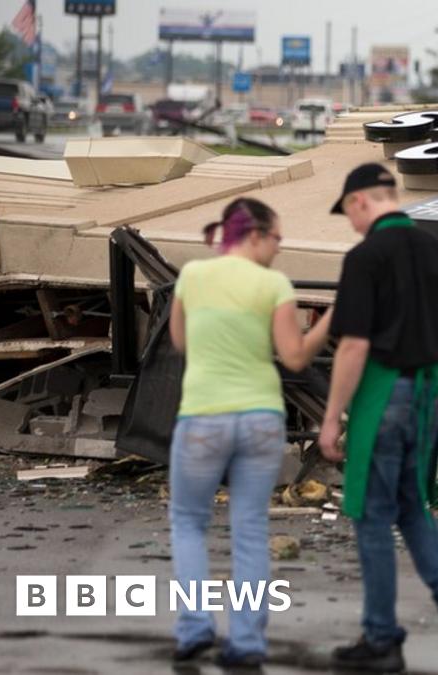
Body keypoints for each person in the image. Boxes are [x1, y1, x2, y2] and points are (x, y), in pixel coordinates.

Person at [319, 163, 438, 673]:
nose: (350, 223)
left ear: (361, 201)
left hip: (383, 393)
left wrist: (330, 420)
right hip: (429, 394)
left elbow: (353, 345)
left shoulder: (365, 257)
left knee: (370, 515)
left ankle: (382, 638)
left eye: (348, 212)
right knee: (413, 506)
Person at [168, 197, 333, 668]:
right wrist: (326, 325)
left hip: (203, 414)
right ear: (255, 235)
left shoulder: (193, 276)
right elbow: (296, 358)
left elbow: (180, 342)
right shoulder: (274, 285)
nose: (279, 250)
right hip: (260, 416)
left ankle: (195, 627)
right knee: (249, 529)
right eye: (277, 239)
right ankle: (245, 643)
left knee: (188, 523)